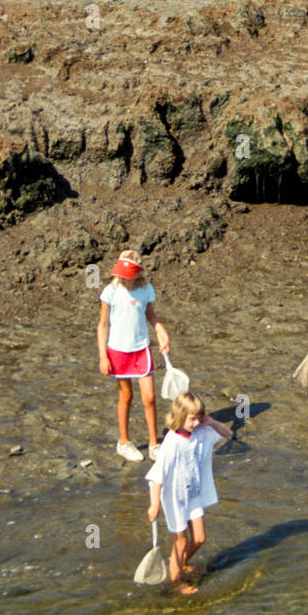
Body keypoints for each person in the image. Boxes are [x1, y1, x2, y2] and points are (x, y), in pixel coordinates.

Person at [146, 392, 230, 593]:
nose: (195, 423)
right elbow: (157, 475)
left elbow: (226, 434)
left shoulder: (202, 432)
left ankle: (178, 562)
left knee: (199, 538)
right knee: (180, 539)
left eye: (198, 418)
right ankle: (175, 583)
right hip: (174, 496)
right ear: (179, 416)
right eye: (192, 418)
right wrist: (154, 504)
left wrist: (210, 421)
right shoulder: (172, 442)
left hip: (194, 493)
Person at [97, 249, 170, 461]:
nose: (123, 278)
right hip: (118, 351)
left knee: (149, 397)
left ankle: (154, 443)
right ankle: (124, 442)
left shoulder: (146, 290)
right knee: (126, 395)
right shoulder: (110, 292)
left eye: (128, 274)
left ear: (138, 273)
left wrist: (161, 331)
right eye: (121, 273)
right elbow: (102, 325)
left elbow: (151, 316)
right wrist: (103, 355)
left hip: (141, 349)